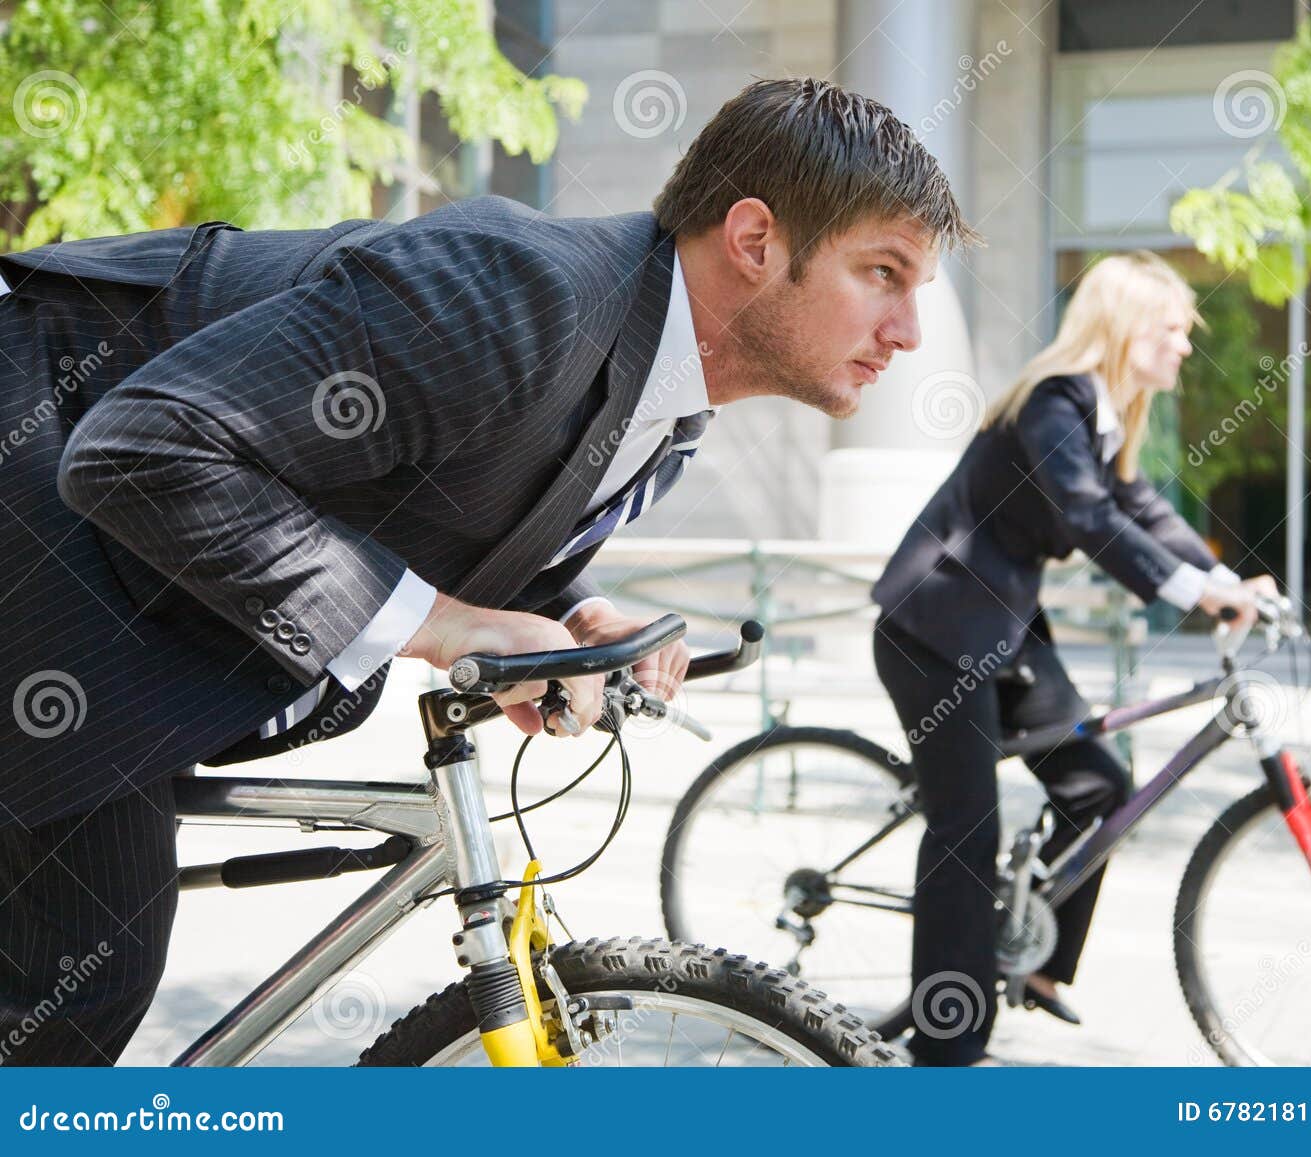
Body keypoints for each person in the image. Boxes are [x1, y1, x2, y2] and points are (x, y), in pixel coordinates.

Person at [0, 77, 977, 1065]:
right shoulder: (519, 293)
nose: (908, 331)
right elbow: (143, 447)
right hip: (33, 459)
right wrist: (442, 624)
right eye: (882, 273)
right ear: (755, 240)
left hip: (108, 573)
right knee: (90, 958)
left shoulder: (670, 400)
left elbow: (465, 491)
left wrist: (578, 610)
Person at [870, 251, 1277, 1066]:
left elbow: (1141, 509)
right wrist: (1195, 594)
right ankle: (946, 1047)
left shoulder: (1106, 418)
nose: (1185, 345)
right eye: (1173, 329)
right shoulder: (1054, 400)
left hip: (1005, 630)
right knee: (966, 829)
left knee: (1099, 787)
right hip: (934, 628)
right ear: (1126, 327)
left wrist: (1231, 583)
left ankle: (1035, 960)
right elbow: (1089, 518)